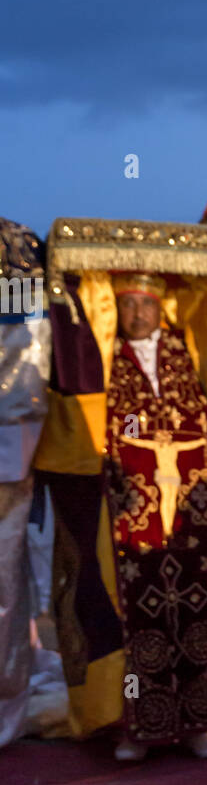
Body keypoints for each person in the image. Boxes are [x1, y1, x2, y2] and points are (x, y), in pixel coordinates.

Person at [36, 231, 207, 764]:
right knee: (132, 616)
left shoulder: (184, 360)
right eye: (127, 305)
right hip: (132, 515)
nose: (137, 314)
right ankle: (133, 727)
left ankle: (200, 725)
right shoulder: (109, 366)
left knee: (197, 614)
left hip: (192, 514)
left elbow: (203, 427)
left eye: (145, 304)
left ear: (159, 307)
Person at [0, 217, 51, 747]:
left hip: (5, 451)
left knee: (4, 587)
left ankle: (5, 709)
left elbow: (28, 369)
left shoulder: (13, 248)